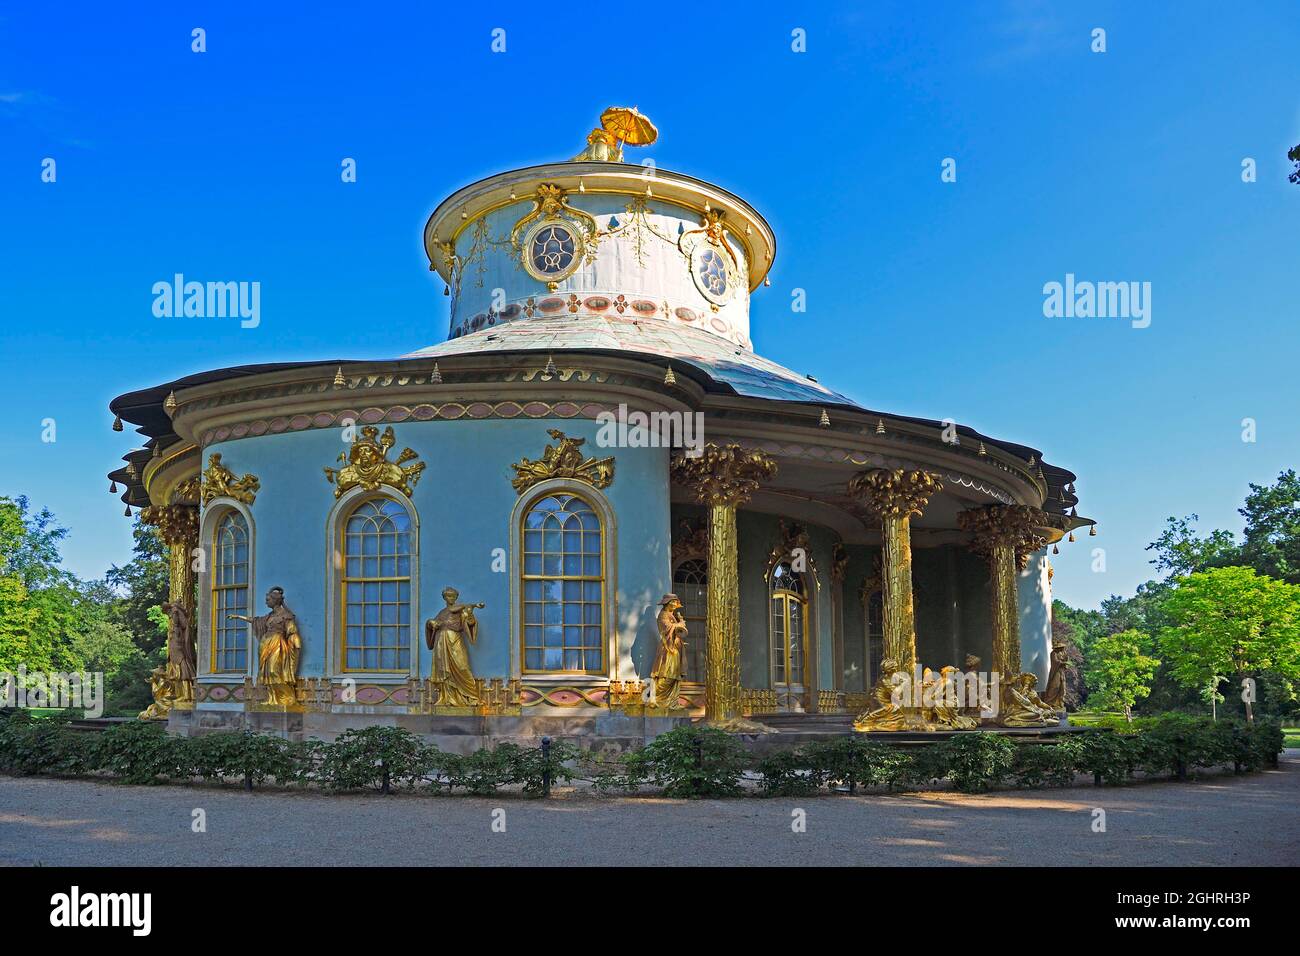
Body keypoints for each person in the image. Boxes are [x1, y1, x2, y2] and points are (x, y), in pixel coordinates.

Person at [229, 587, 301, 707]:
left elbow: (292, 632)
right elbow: (255, 621)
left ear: (275, 600)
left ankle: (288, 699)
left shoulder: (286, 616)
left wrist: (296, 644)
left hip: (277, 644)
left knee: (274, 671)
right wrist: (238, 617)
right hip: (265, 645)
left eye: (268, 599)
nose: (266, 602)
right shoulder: (269, 616)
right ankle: (272, 699)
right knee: (266, 673)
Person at [426, 587, 484, 707]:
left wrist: (471, 617)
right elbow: (433, 625)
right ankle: (447, 698)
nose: (451, 598)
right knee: (444, 669)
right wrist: (431, 624)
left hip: (455, 640)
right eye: (448, 596)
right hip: (442, 642)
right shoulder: (442, 612)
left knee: (462, 666)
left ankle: (471, 696)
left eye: (453, 596)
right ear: (444, 598)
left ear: (456, 597)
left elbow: (470, 623)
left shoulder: (461, 610)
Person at [652, 594, 687, 708]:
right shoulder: (663, 615)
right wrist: (678, 625)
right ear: (667, 603)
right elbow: (666, 628)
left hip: (675, 648)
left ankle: (671, 701)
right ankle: (654, 697)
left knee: (675, 675)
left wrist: (680, 626)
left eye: (676, 602)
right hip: (667, 648)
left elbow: (676, 630)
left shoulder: (671, 615)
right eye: (672, 602)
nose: (674, 605)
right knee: (667, 675)